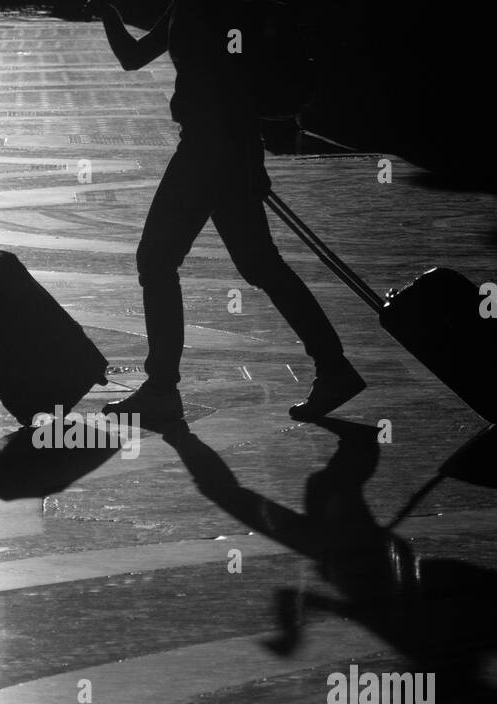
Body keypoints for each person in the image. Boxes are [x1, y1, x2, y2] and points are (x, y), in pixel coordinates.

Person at [87, 0, 365, 423]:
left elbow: (236, 86)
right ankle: (333, 366)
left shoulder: (219, 8)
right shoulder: (187, 6)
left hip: (210, 152)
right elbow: (133, 57)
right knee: (259, 266)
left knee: (158, 259)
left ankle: (162, 387)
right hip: (218, 151)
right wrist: (108, 12)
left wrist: (249, 163)